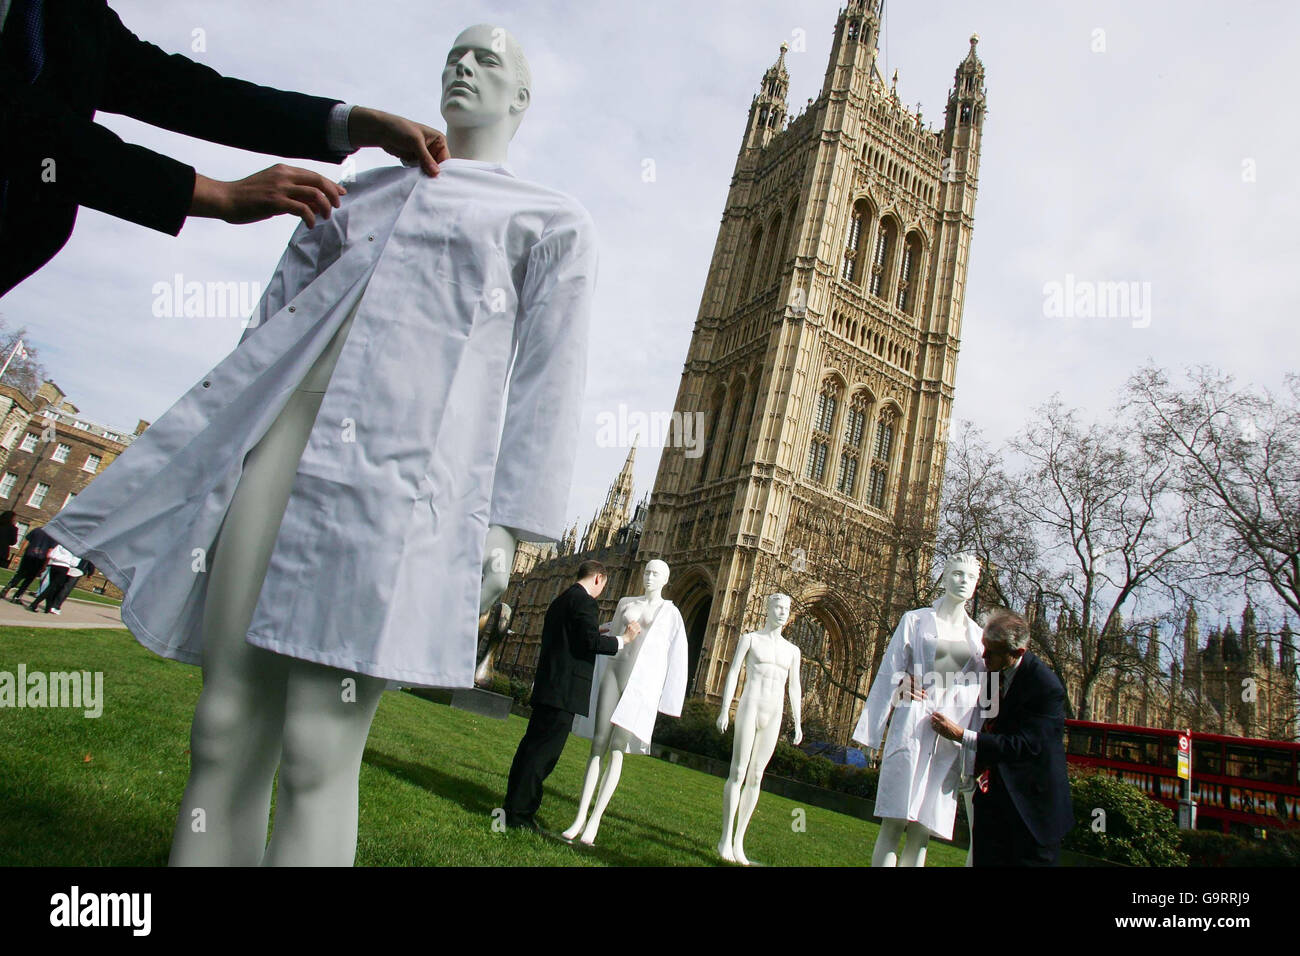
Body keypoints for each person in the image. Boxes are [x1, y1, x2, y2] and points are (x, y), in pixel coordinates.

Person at [46, 23, 599, 865]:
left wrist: (509, 526)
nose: (463, 66)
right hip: (280, 448)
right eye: (455, 52)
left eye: (487, 59)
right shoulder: (361, 191)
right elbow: (272, 324)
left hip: (398, 489)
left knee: (318, 747)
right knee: (225, 721)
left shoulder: (550, 221)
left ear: (522, 98)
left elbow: (548, 384)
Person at [0, 0, 450, 296]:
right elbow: (24, 126)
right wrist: (215, 193)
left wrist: (354, 124)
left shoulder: (70, 14)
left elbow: (177, 89)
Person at [852, 554, 985, 866]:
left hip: (948, 739)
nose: (963, 581)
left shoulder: (978, 638)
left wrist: (973, 752)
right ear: (944, 576)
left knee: (923, 830)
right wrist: (898, 689)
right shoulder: (916, 620)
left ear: (977, 585)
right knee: (894, 819)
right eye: (957, 574)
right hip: (912, 726)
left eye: (970, 577)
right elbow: (890, 670)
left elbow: (981, 697)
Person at [503, 561, 641, 831]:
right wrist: (623, 639)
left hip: (548, 685)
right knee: (543, 755)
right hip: (563, 691)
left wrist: (598, 629)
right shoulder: (586, 603)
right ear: (599, 578)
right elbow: (588, 643)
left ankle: (512, 807)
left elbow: (573, 636)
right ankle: (520, 816)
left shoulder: (563, 600)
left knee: (530, 749)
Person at [930, 608, 1074, 866]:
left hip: (1032, 810)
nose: (983, 656)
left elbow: (1023, 745)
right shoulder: (992, 672)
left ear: (1017, 652)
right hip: (993, 799)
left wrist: (962, 735)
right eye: (983, 647)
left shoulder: (1046, 687)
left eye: (992, 652)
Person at [561, 559, 687, 844]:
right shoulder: (626, 602)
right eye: (647, 572)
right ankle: (580, 816)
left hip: (639, 685)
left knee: (617, 750)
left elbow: (678, 658)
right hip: (614, 674)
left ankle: (595, 820)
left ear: (666, 579)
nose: (649, 577)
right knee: (598, 745)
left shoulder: (670, 613)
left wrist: (669, 700)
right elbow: (610, 637)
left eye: (656, 573)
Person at [715, 593, 802, 865]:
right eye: (777, 606)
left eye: (787, 608)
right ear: (767, 609)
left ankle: (739, 841)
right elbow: (732, 673)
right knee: (738, 772)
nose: (782, 612)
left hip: (774, 713)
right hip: (750, 705)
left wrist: (798, 722)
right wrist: (723, 710)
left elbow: (795, 687)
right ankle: (724, 838)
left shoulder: (792, 651)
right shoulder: (751, 639)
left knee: (756, 777)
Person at [0, 523, 52, 602]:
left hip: (29, 555)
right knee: (29, 579)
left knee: (20, 574)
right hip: (40, 559)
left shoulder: (37, 530)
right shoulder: (53, 537)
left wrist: (19, 554)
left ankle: (8, 587)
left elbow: (26, 542)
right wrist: (45, 565)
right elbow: (49, 552)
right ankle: (17, 597)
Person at [28, 540, 74, 612]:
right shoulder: (74, 549)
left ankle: (48, 607)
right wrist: (66, 560)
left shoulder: (60, 545)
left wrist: (58, 558)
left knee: (52, 587)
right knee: (52, 587)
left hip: (54, 565)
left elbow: (51, 554)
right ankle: (34, 603)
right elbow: (74, 563)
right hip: (64, 567)